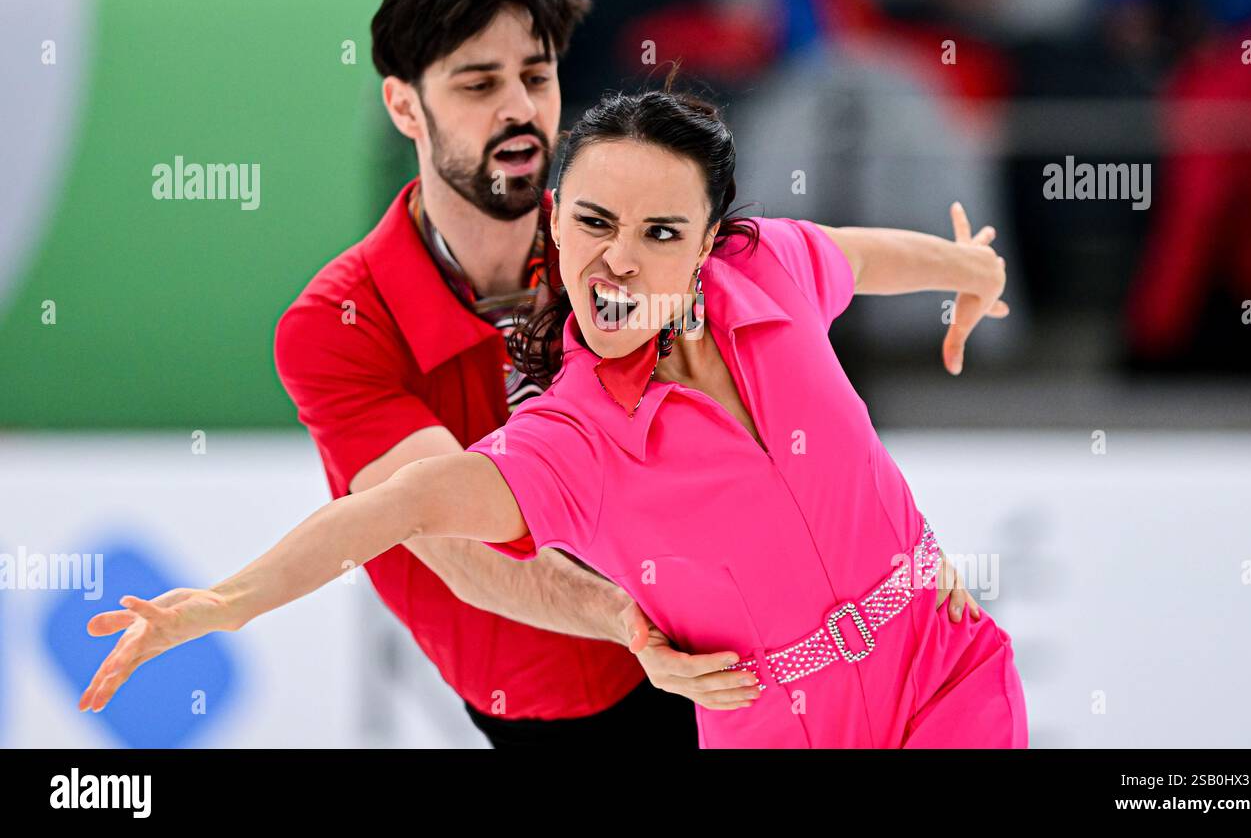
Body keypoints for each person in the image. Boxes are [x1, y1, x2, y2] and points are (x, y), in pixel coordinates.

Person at [78, 82, 1025, 748]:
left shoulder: (764, 268)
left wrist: (971, 271)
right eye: (594, 224)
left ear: (707, 246)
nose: (616, 261)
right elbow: (392, 510)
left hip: (945, 666)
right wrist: (226, 602)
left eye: (660, 234)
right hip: (773, 725)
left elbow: (859, 259)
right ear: (556, 217)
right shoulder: (565, 442)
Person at [272, 0, 986, 747]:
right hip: (557, 700)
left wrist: (887, 576)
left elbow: (776, 389)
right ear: (403, 105)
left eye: (536, 78)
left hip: (724, 655)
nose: (518, 111)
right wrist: (631, 626)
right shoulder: (340, 325)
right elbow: (457, 548)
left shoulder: (616, 236)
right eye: (476, 84)